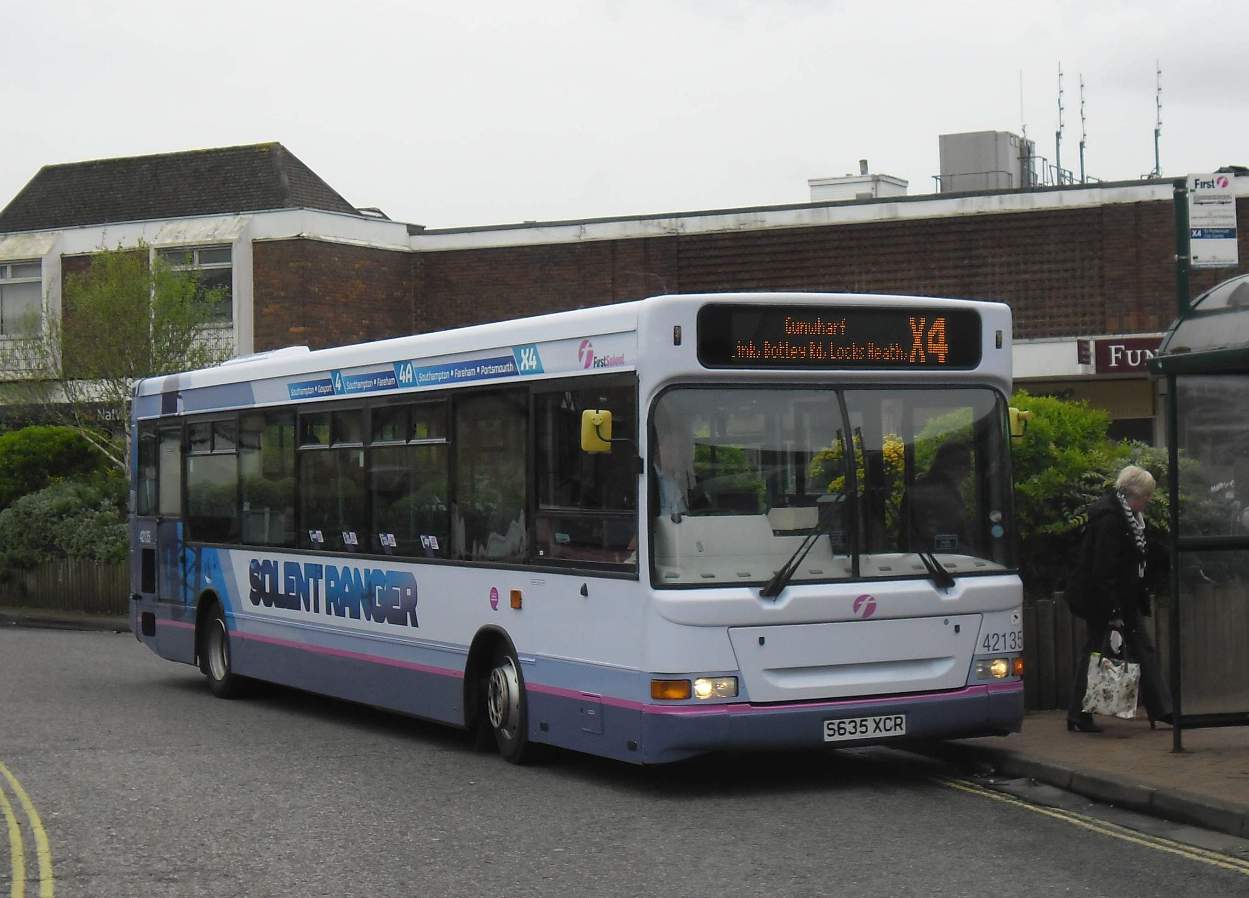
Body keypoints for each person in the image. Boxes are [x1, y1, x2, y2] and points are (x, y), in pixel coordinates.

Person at [1067, 465, 1173, 733]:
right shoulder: (1111, 519)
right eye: (1146, 495)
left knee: (1105, 650)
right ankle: (1080, 713)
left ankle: (1162, 709)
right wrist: (1113, 608)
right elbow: (1104, 565)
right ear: (1133, 493)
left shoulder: (1125, 516)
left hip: (1119, 596)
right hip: (1108, 598)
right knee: (1099, 650)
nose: (1148, 500)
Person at [905, 441, 972, 552]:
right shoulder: (946, 493)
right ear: (958, 468)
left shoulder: (915, 489)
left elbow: (905, 538)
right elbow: (957, 534)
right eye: (967, 467)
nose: (967, 473)